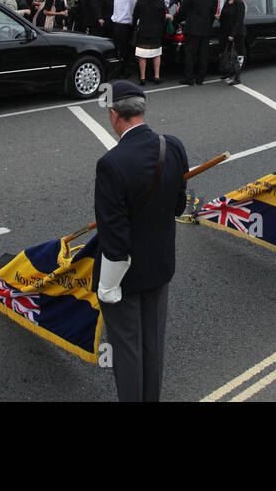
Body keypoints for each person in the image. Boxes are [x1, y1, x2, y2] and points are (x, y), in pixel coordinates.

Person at [94, 81, 188, 402]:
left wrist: (107, 289)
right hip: (160, 266)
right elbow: (178, 206)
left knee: (127, 349)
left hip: (126, 276)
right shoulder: (173, 146)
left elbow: (115, 239)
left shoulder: (111, 165)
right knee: (152, 344)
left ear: (114, 115)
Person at [178, 0, 218, 85]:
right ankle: (200, 78)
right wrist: (209, 23)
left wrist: (176, 20)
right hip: (206, 28)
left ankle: (189, 78)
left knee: (190, 53)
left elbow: (183, 9)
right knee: (203, 53)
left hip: (192, 27)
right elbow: (213, 12)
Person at [132, 0, 170, 84]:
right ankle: (157, 76)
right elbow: (162, 17)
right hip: (156, 31)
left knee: (142, 55)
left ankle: (142, 78)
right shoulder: (160, 2)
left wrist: (134, 26)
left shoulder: (141, 1)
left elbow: (135, 16)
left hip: (143, 30)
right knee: (156, 54)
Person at [219, 0, 246, 85]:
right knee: (226, 54)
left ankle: (237, 76)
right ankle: (228, 72)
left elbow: (239, 20)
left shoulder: (239, 3)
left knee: (236, 55)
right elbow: (224, 15)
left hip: (236, 33)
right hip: (225, 32)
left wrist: (232, 34)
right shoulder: (227, 1)